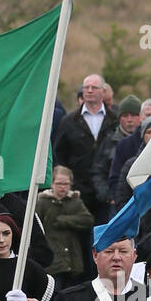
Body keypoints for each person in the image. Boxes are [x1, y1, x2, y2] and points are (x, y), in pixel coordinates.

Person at [52, 71, 119, 221]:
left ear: (103, 91)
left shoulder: (114, 120)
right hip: (78, 190)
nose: (89, 91)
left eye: (94, 87)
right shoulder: (69, 121)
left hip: (106, 190)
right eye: (86, 87)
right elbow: (59, 154)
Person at [36, 165, 94, 289]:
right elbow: (34, 225)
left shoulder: (75, 201)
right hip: (51, 254)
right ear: (52, 183)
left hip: (71, 255)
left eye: (66, 184)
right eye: (59, 183)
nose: (62, 187)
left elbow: (88, 220)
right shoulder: (42, 202)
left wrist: (65, 220)